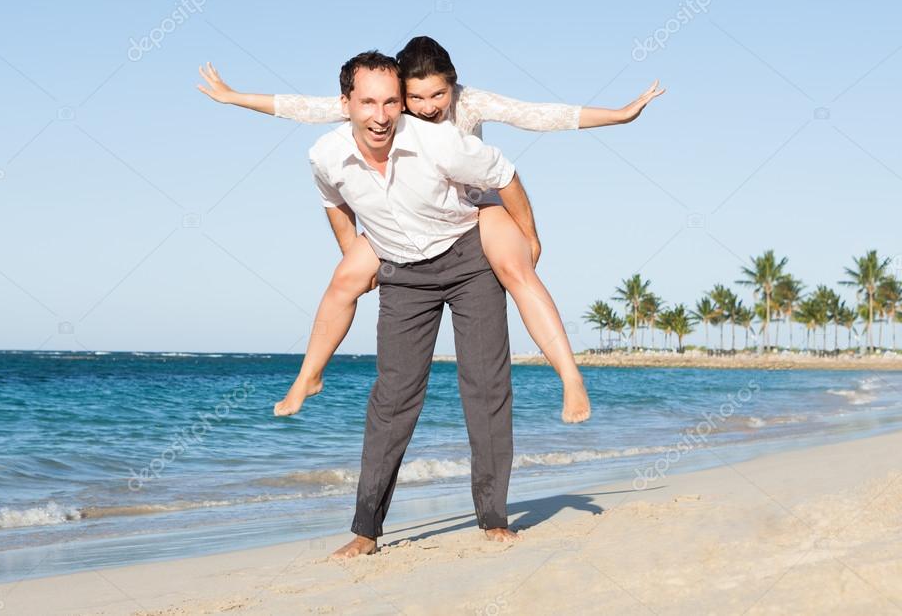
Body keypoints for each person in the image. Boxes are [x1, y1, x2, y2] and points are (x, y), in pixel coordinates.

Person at [197, 36, 664, 422]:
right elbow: (303, 107)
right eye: (414, 98)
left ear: (453, 87)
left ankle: (570, 379)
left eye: (437, 95)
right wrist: (233, 96)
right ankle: (308, 376)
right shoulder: (387, 108)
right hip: (413, 216)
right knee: (343, 280)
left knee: (516, 270)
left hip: (476, 206)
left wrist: (620, 114)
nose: (425, 107)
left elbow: (541, 115)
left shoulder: (472, 102)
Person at [308, 50, 524, 558]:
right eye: (368, 102)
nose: (381, 114)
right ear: (347, 104)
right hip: (405, 273)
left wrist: (530, 240)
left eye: (390, 102)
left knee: (486, 386)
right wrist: (359, 257)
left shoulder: (438, 140)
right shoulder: (326, 153)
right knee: (394, 396)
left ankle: (494, 518)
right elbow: (334, 203)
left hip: (470, 257)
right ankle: (365, 531)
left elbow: (505, 173)